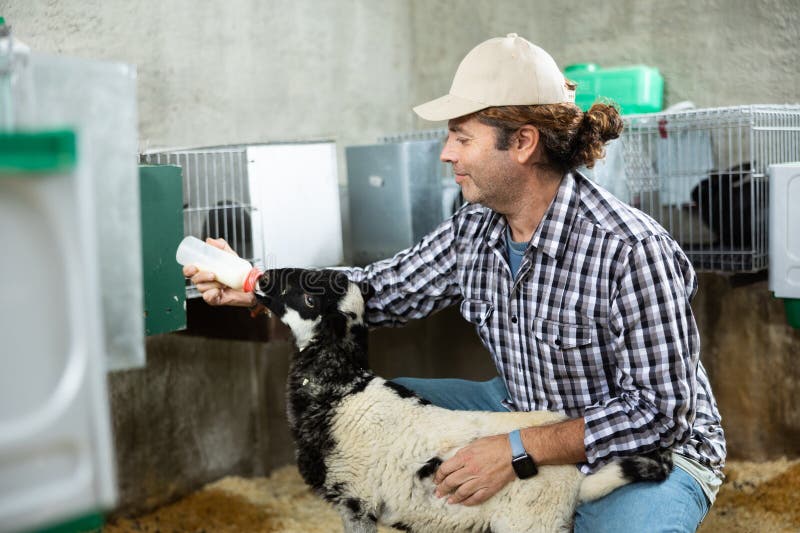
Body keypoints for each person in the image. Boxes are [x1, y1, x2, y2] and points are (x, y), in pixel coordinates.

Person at [185, 33, 725, 532]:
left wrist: (515, 451)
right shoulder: (475, 227)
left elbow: (659, 415)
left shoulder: (630, 250)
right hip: (520, 407)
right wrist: (258, 285)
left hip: (649, 452)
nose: (447, 154)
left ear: (523, 143)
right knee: (372, 424)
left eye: (462, 138)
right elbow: (377, 290)